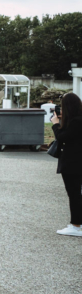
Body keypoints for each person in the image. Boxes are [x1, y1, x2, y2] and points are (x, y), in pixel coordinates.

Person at [50, 92, 82, 237]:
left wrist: (55, 125)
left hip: (72, 162)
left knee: (74, 194)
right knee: (77, 193)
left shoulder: (76, 122)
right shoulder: (76, 120)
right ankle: (76, 223)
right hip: (76, 161)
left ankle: (76, 226)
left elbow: (62, 137)